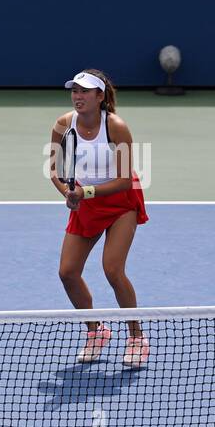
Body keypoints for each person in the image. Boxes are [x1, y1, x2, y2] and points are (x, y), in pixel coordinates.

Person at [50, 69, 150, 368]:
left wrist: (85, 192)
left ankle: (136, 338)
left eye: (85, 92)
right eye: (74, 91)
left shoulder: (116, 127)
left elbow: (123, 180)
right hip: (85, 203)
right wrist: (67, 194)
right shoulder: (63, 125)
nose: (78, 97)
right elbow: (55, 171)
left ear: (99, 96)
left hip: (120, 203)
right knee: (67, 272)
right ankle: (96, 331)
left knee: (112, 270)